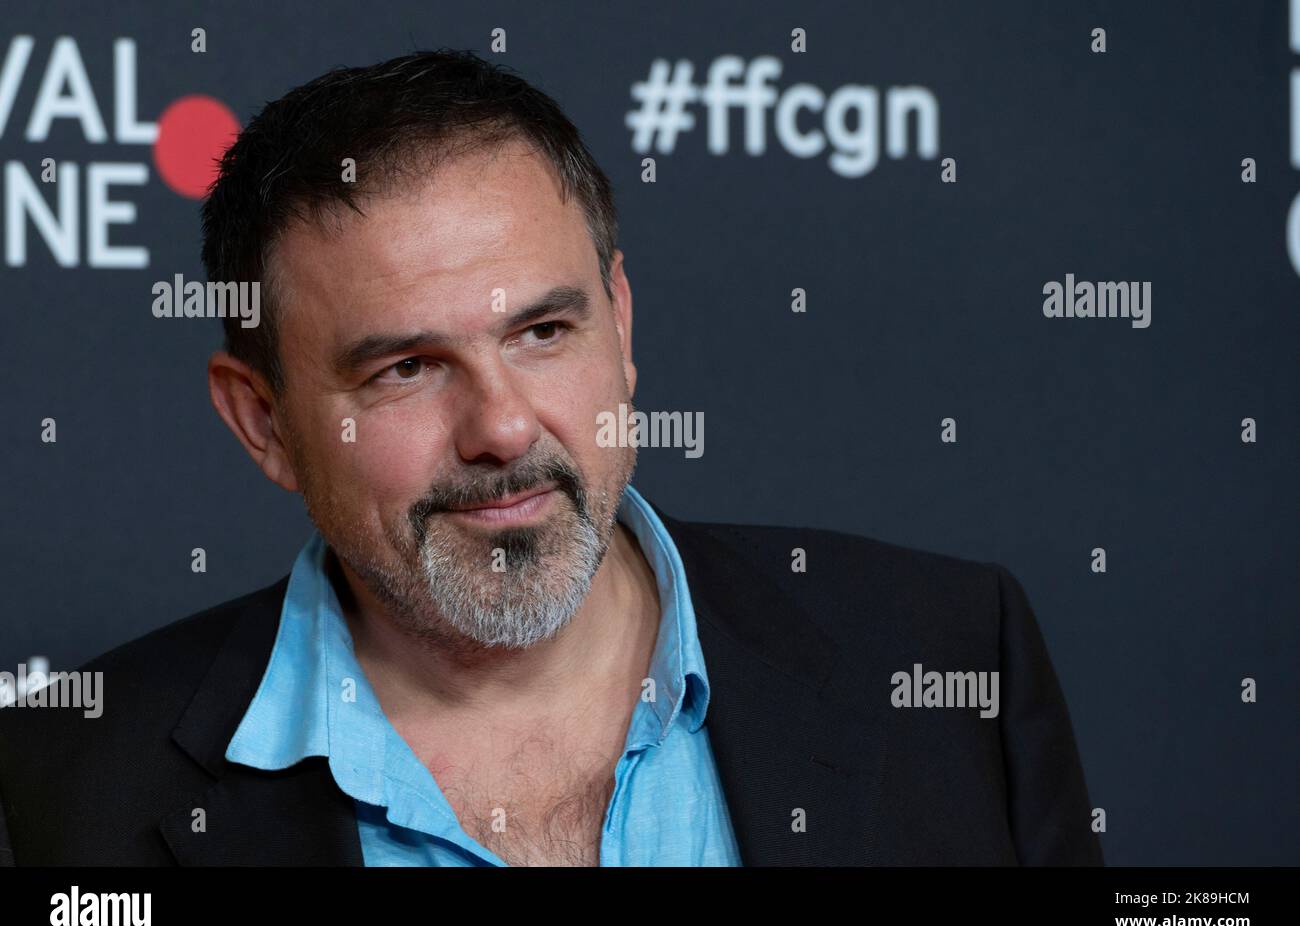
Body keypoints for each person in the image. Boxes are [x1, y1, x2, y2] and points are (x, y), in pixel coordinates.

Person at [0, 49, 1102, 867]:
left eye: (543, 332)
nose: (504, 427)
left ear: (620, 324)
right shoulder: (69, 783)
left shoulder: (946, 658)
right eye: (405, 369)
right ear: (264, 422)